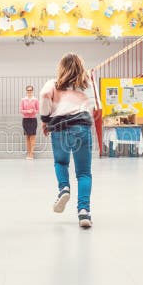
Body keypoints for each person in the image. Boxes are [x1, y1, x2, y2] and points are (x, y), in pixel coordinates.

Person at [40, 53, 97, 229]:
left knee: (61, 162)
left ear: (61, 68)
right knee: (84, 173)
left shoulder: (53, 84)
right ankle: (84, 212)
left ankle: (64, 188)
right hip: (81, 128)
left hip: (59, 128)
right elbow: (95, 106)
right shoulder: (88, 85)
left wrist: (45, 120)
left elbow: (44, 95)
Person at [20, 85, 39, 159]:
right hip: (25, 120)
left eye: (30, 90)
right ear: (26, 91)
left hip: (33, 119)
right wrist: (27, 111)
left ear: (32, 91)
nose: (29, 91)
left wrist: (33, 111)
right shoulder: (23, 100)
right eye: (28, 90)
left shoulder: (35, 100)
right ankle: (28, 153)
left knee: (32, 136)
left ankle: (32, 153)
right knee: (27, 137)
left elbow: (38, 110)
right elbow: (21, 110)